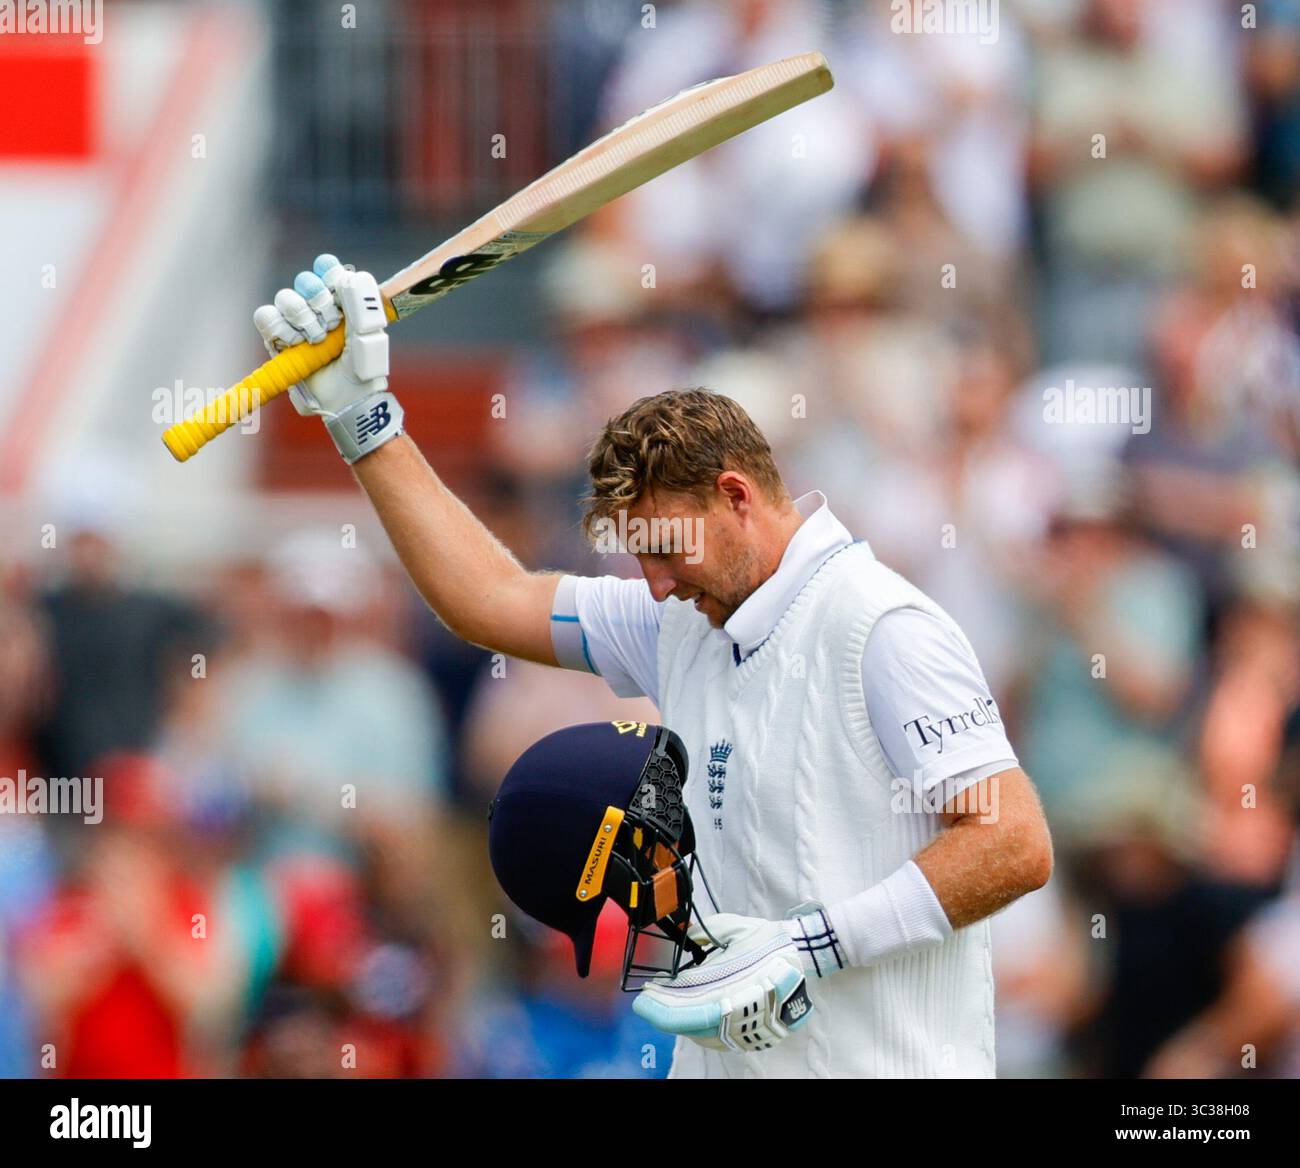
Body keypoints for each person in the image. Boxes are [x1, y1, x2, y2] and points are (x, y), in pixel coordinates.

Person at [249, 254, 1054, 1078]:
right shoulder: (683, 616)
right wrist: (363, 421)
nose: (657, 581)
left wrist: (811, 945)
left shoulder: (884, 627)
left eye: (667, 547)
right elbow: (490, 598)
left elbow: (1014, 842)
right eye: (639, 558)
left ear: (737, 497)